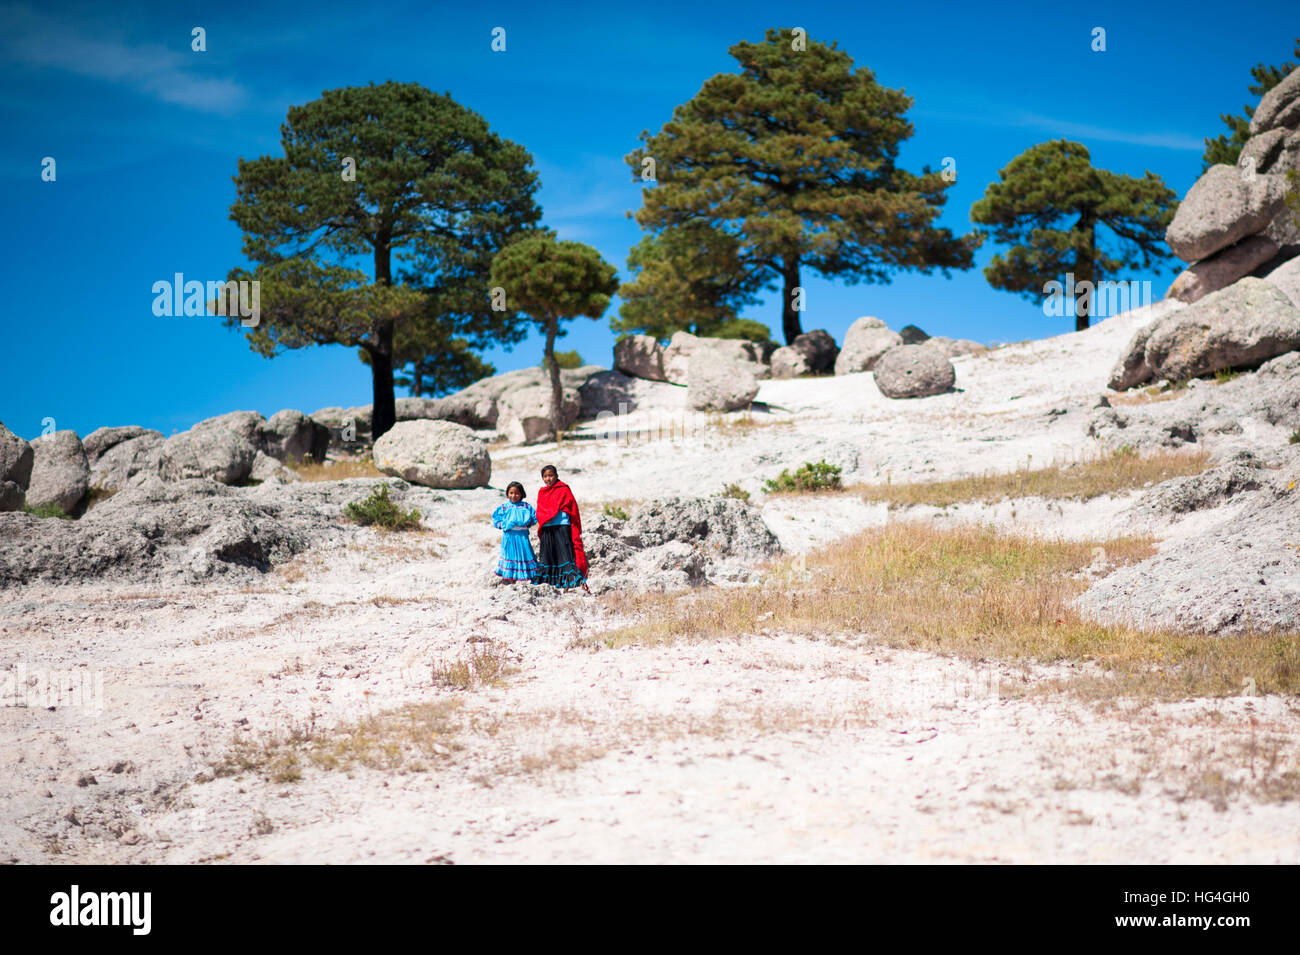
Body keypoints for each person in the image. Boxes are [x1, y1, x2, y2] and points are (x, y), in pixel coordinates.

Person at [532, 464, 590, 593]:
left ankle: (568, 584)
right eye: (545, 476)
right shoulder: (542, 492)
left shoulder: (563, 489)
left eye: (551, 475)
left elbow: (572, 507)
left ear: (557, 476)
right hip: (547, 527)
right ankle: (550, 584)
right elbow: (541, 509)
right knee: (548, 555)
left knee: (565, 554)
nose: (548, 479)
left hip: (562, 526)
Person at [491, 481, 539, 583]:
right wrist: (503, 525)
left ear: (522, 494)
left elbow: (534, 518)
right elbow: (496, 519)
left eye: (517, 493)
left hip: (522, 536)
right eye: (511, 493)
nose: (514, 495)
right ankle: (512, 579)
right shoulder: (504, 507)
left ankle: (525, 577)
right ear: (507, 493)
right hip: (509, 536)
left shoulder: (526, 506)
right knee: (510, 555)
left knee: (525, 554)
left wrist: (527, 524)